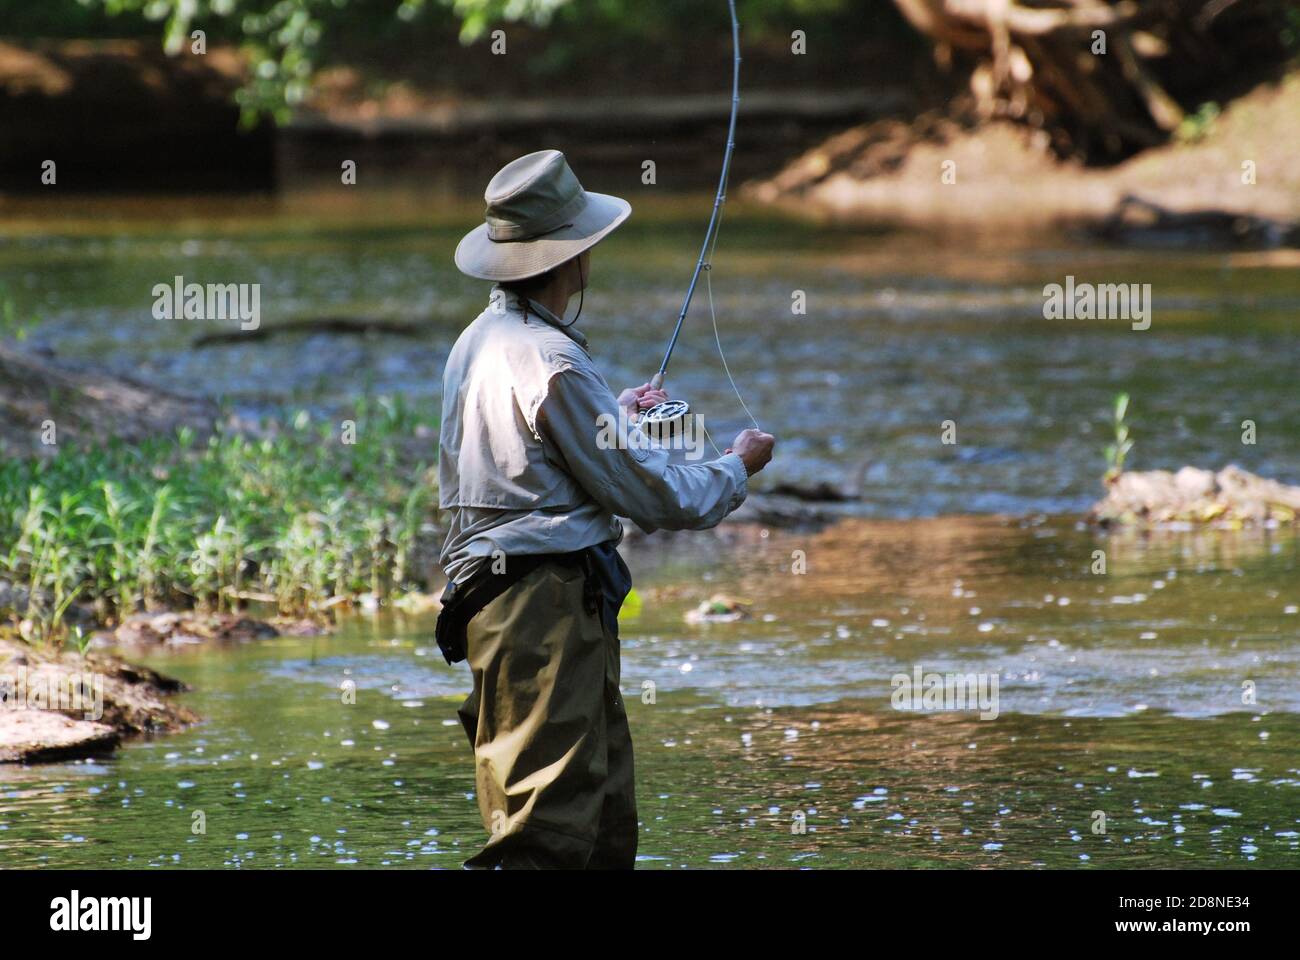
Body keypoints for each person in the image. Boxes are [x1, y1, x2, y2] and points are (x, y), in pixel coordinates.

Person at [437, 149, 775, 869]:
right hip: (542, 607)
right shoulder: (553, 361)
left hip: (508, 601)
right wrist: (734, 469)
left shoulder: (482, 340)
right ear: (573, 258)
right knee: (548, 832)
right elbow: (645, 493)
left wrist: (614, 415)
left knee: (601, 819)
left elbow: (534, 459)